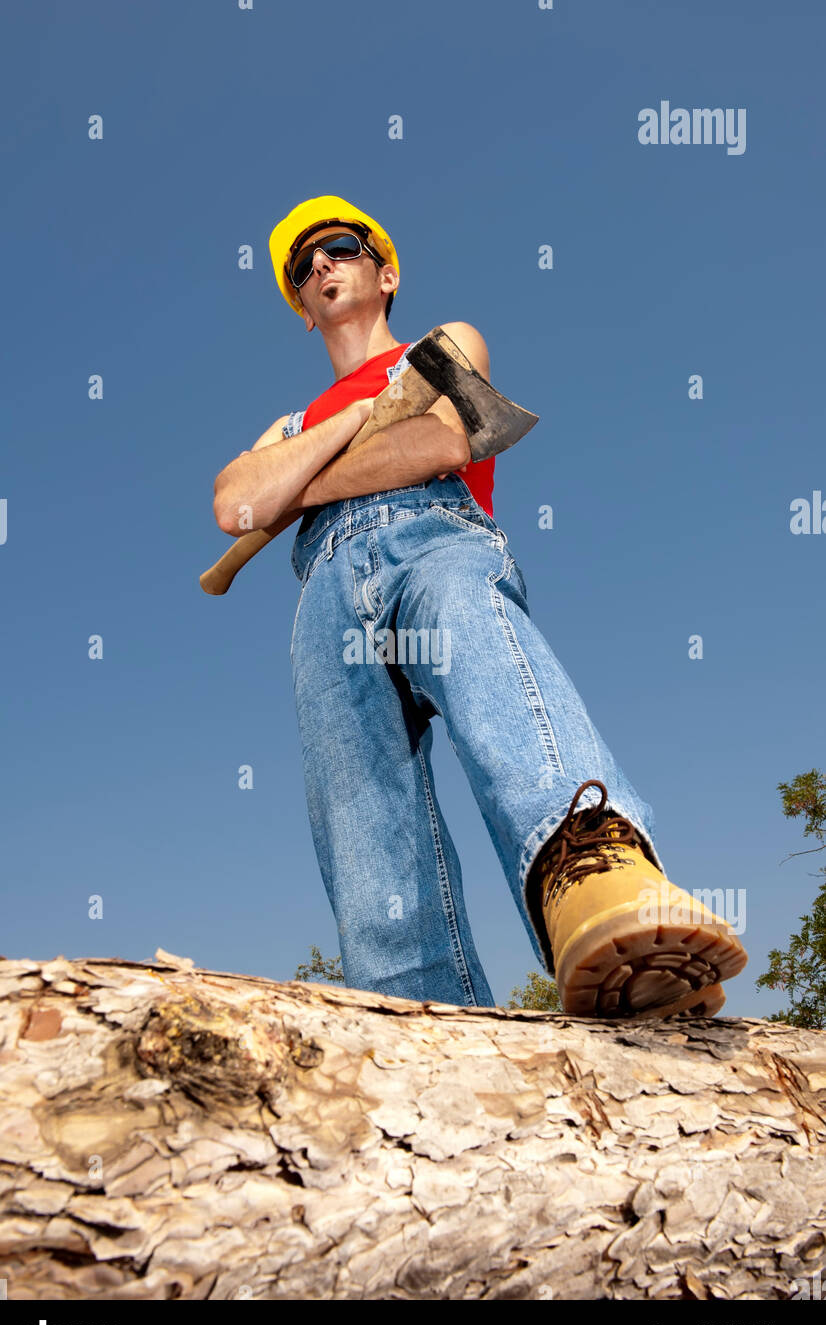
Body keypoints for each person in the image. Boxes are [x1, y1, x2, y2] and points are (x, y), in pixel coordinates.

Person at [213, 195, 748, 1019]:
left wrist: (298, 486)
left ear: (384, 272)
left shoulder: (443, 347)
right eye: (301, 265)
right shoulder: (285, 424)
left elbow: (441, 442)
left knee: (473, 630)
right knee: (360, 809)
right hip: (323, 594)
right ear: (299, 305)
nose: (320, 265)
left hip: (433, 538)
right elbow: (234, 504)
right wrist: (354, 422)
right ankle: (417, 1015)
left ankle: (595, 880)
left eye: (341, 249)